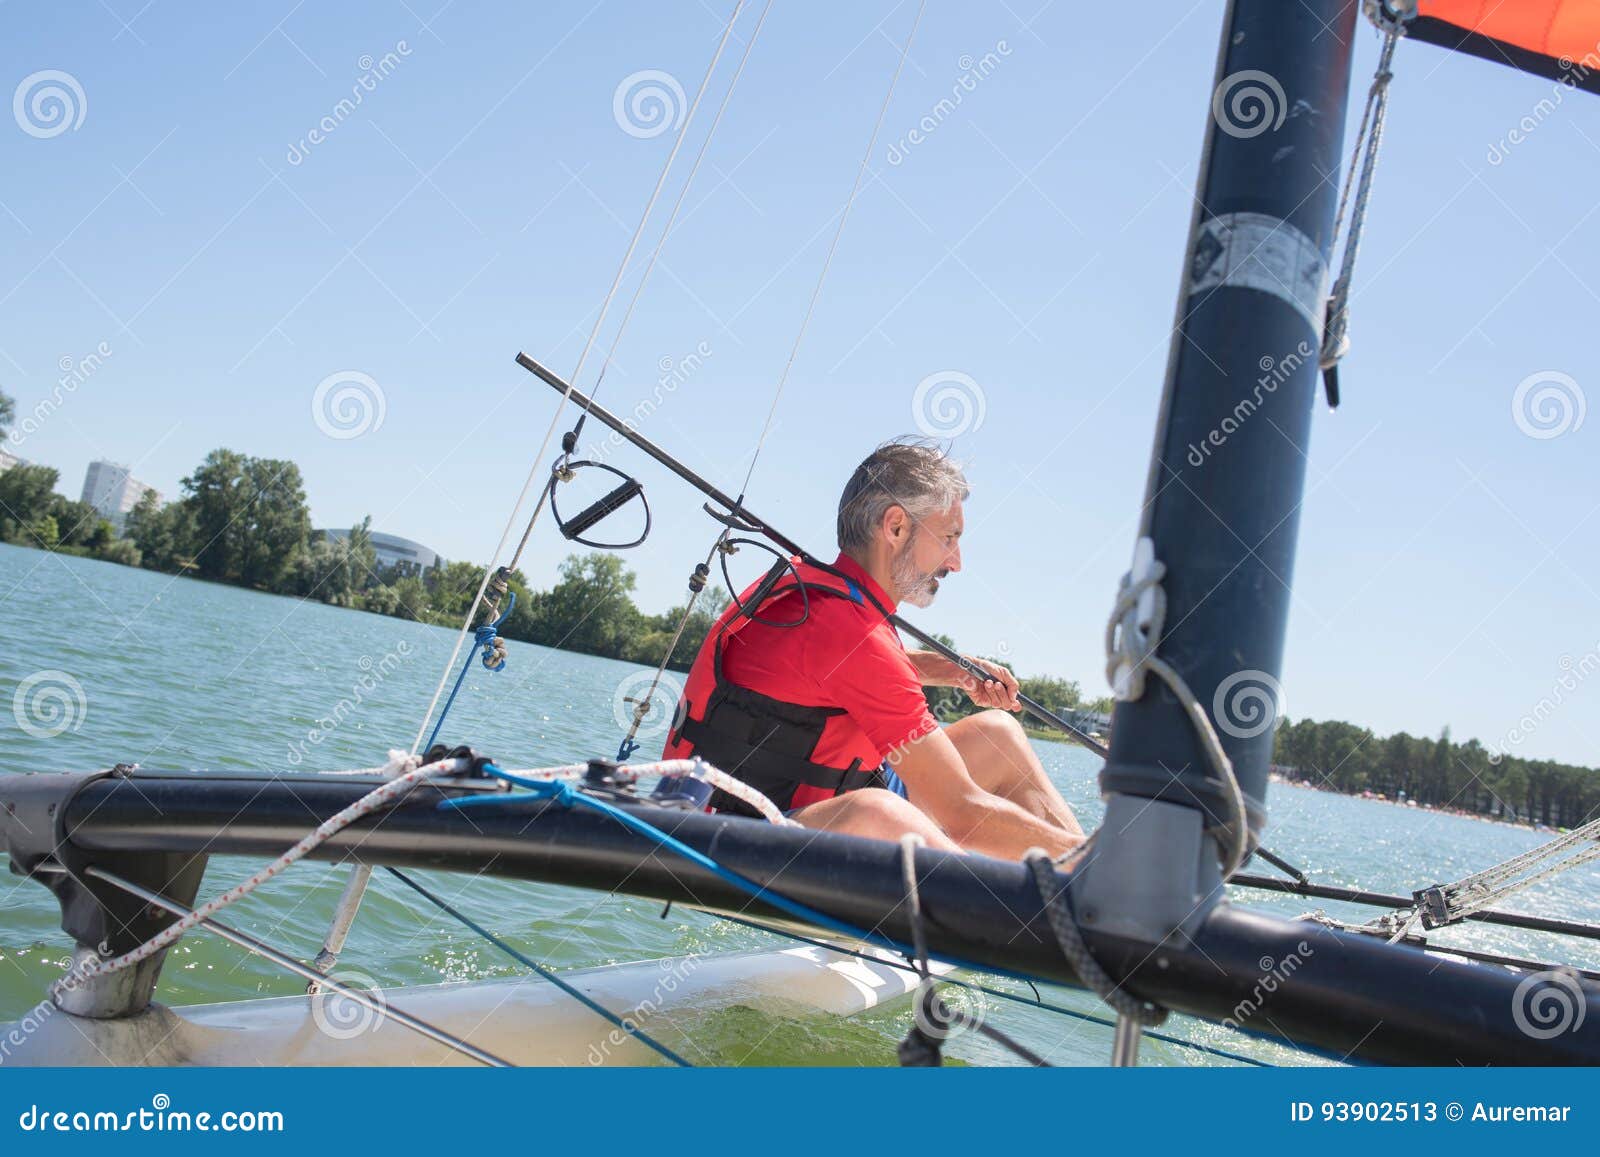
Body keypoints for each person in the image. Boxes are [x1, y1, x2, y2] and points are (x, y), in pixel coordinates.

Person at [663, 438, 1084, 859]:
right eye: (949, 537)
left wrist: (951, 671)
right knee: (880, 812)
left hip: (824, 791)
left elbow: (834, 674)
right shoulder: (853, 632)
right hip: (738, 831)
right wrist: (1097, 861)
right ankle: (1075, 889)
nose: (956, 561)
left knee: (997, 733)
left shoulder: (835, 605)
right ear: (895, 527)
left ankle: (1088, 902)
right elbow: (961, 812)